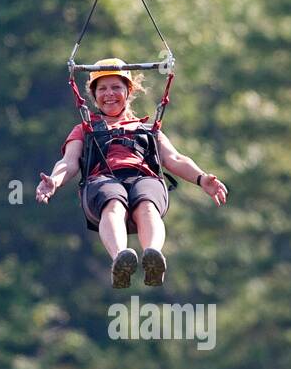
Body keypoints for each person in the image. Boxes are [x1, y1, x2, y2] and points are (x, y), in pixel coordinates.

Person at [36, 57, 228, 287]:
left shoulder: (147, 130)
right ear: (94, 95)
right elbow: (68, 162)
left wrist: (201, 178)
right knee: (113, 203)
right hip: (103, 180)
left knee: (147, 204)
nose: (109, 94)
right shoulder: (84, 130)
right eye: (103, 89)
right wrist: (54, 181)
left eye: (116, 87)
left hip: (142, 177)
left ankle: (153, 256)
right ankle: (121, 259)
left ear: (128, 91)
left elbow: (174, 158)